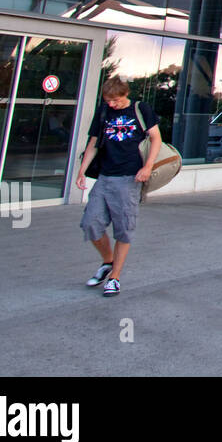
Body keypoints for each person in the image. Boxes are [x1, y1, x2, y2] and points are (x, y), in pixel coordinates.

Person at [75, 76, 162, 297]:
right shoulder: (104, 111)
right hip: (105, 177)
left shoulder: (140, 109)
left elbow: (156, 139)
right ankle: (107, 261)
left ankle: (114, 277)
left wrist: (147, 167)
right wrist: (81, 171)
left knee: (124, 229)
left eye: (115, 100)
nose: (112, 104)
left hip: (129, 178)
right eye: (108, 100)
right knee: (90, 223)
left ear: (125, 94)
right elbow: (93, 143)